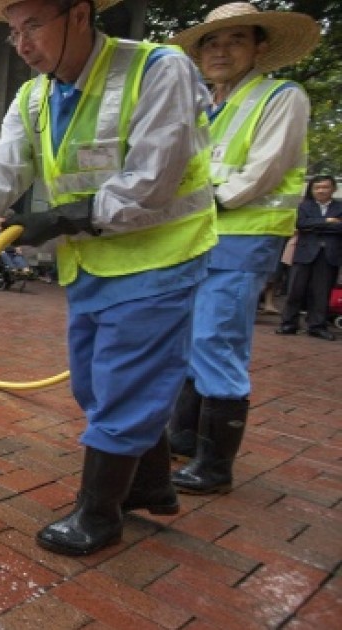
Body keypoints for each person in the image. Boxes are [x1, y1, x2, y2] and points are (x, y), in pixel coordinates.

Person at [0, 0, 217, 556]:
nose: (21, 44)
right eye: (14, 31)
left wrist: (61, 219)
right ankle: (151, 483)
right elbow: (4, 168)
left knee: (123, 387)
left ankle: (99, 514)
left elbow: (152, 181)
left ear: (80, 14)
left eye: (34, 26)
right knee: (93, 384)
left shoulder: (158, 70)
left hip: (160, 258)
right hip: (91, 263)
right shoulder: (34, 96)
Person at [166, 3, 319, 492]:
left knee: (217, 340)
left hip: (242, 235)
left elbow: (265, 169)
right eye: (211, 42)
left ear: (260, 47)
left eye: (235, 40)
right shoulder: (207, 106)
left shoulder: (281, 97)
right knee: (190, 337)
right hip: (196, 236)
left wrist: (204, 201)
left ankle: (215, 466)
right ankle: (185, 436)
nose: (221, 50)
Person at [278, 175, 342, 340]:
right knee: (295, 290)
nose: (321, 191)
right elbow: (301, 224)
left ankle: (317, 326)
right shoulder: (303, 206)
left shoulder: (340, 207)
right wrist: (328, 221)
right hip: (305, 252)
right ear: (312, 189)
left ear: (333, 189)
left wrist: (315, 224)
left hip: (329, 254)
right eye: (317, 187)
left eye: (325, 187)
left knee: (322, 292)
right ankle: (288, 323)